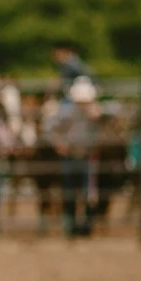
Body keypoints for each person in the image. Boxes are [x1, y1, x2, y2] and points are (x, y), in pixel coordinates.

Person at [45, 75, 99, 237]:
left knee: (88, 193)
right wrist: (59, 143)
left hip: (87, 156)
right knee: (69, 191)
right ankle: (71, 225)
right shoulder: (66, 112)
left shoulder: (95, 114)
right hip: (70, 155)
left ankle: (86, 226)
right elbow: (50, 129)